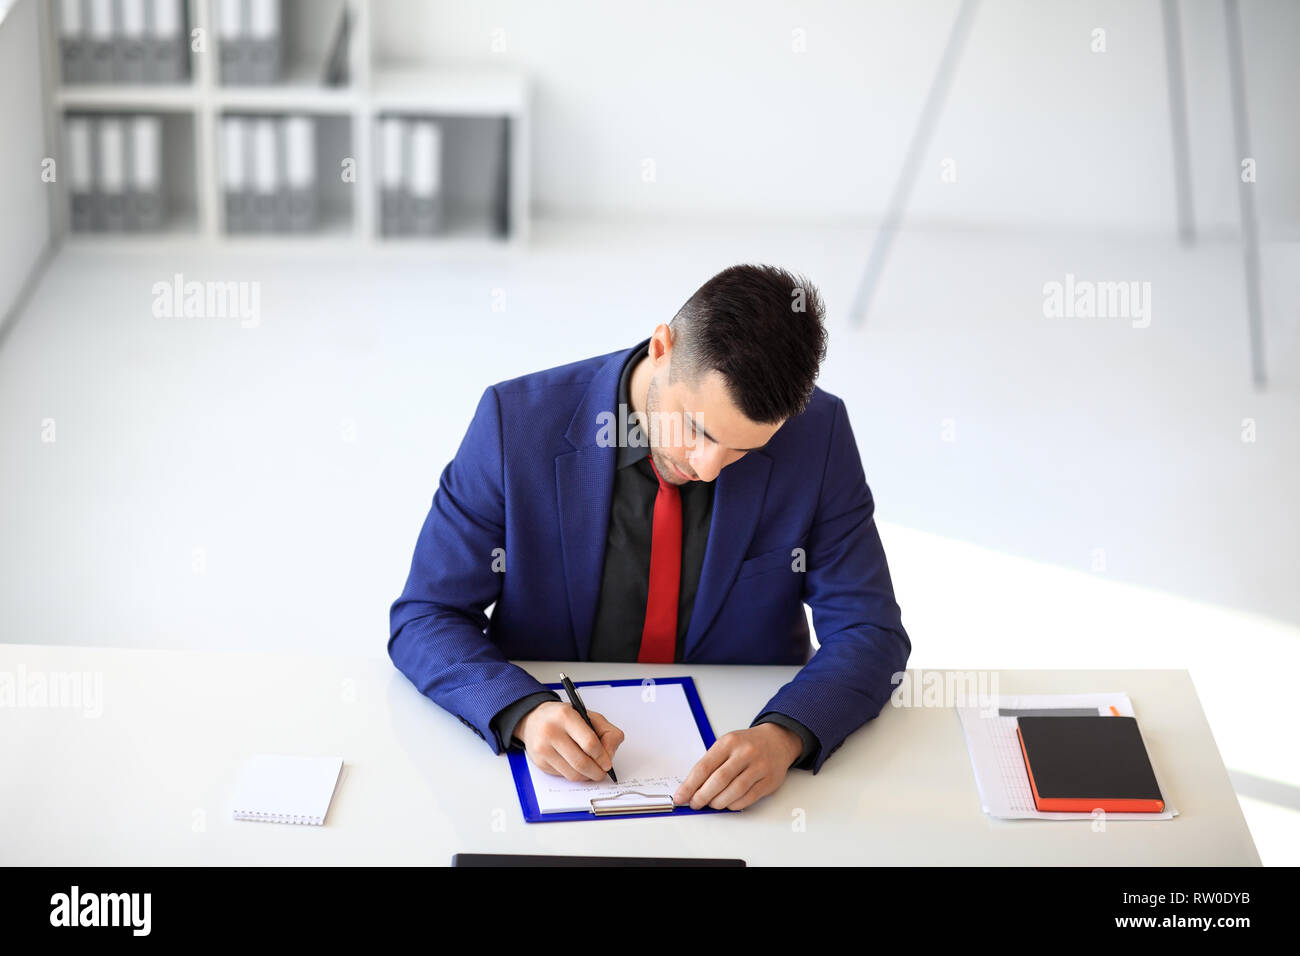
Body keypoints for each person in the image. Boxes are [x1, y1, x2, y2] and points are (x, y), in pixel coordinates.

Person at [389, 263, 910, 811]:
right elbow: (426, 616)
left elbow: (870, 632)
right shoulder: (515, 423)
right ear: (663, 347)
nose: (709, 467)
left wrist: (787, 733)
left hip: (736, 792)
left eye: (743, 450)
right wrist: (523, 711)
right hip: (551, 782)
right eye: (697, 429)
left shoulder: (820, 435)